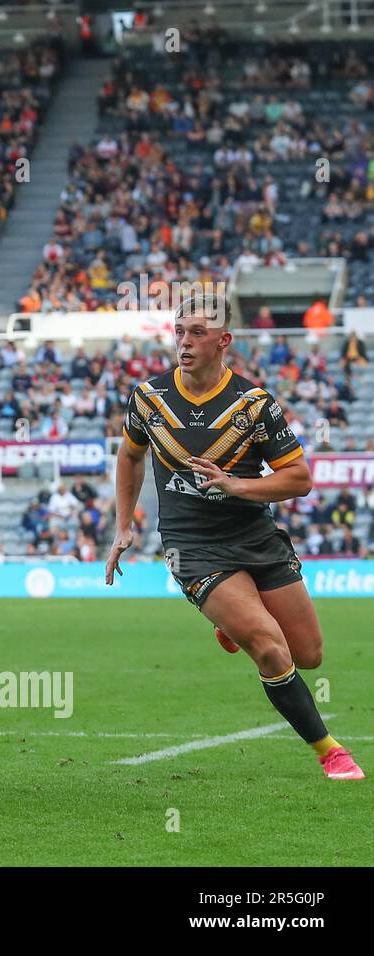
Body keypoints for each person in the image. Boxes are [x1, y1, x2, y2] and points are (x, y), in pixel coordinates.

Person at [105, 293, 362, 781]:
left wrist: (237, 485)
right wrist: (124, 525)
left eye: (197, 333)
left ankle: (230, 624)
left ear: (223, 341)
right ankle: (330, 751)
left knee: (308, 654)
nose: (185, 342)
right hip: (191, 547)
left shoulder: (254, 404)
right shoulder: (148, 399)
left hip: (255, 536)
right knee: (268, 646)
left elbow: (299, 478)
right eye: (180, 331)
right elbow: (130, 456)